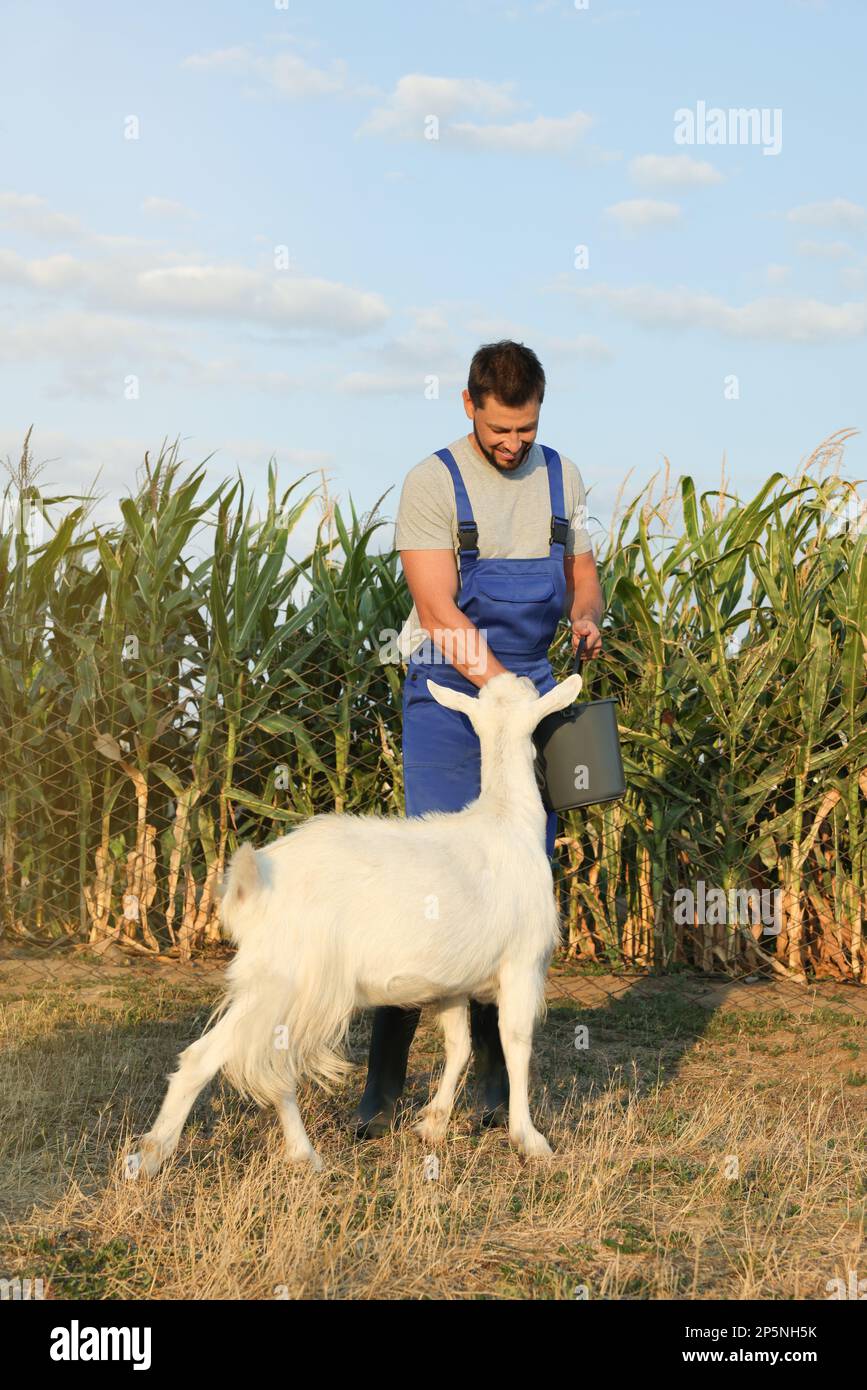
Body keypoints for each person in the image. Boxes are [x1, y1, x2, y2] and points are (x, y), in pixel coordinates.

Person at [351, 340, 604, 1138]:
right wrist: (502, 694)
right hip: (450, 699)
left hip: (526, 701)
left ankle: (498, 1089)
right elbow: (437, 613)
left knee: (518, 888)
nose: (512, 444)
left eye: (525, 429)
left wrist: (586, 614)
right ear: (468, 405)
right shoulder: (433, 482)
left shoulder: (563, 476)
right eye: (499, 429)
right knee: (432, 884)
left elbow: (583, 568)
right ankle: (383, 1085)